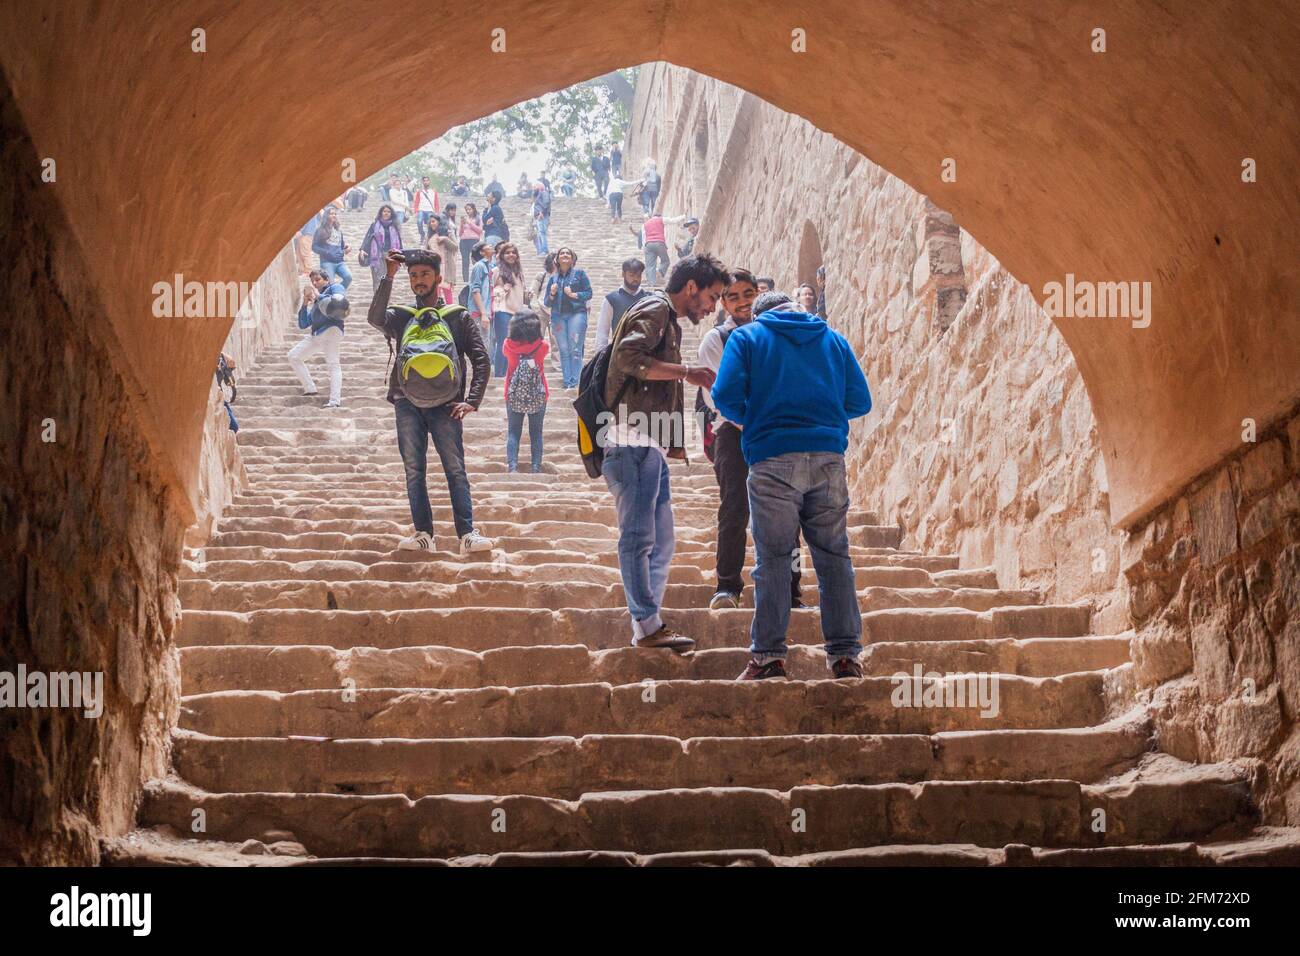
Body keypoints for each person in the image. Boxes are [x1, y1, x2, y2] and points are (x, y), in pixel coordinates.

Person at [711, 291, 872, 680]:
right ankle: (845, 656)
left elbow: (725, 398)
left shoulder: (747, 339)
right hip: (827, 458)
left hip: (772, 458)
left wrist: (762, 416)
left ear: (761, 314)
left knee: (775, 559)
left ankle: (768, 657)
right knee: (835, 557)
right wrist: (822, 414)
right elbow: (860, 401)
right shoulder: (833, 339)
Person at [601, 253, 730, 651]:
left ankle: (648, 624)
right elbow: (628, 357)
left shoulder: (666, 319)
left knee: (662, 541)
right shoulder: (656, 309)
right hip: (630, 441)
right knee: (639, 538)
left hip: (649, 444)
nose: (711, 308)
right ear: (691, 287)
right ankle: (646, 623)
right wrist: (686, 372)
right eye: (711, 297)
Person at [367, 249, 493, 556]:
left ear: (438, 278)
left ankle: (467, 534)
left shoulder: (458, 317)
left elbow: (481, 358)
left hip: (447, 404)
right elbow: (374, 318)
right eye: (413, 276)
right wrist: (389, 276)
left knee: (455, 469)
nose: (418, 281)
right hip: (407, 402)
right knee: (414, 470)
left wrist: (472, 400)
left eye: (424, 275)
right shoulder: (401, 316)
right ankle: (424, 534)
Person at [697, 271, 803, 609]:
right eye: (734, 296)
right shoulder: (716, 341)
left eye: (748, 293)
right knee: (734, 508)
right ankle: (727, 585)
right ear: (724, 302)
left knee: (788, 513)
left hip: (775, 432)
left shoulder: (775, 335)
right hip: (734, 434)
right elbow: (720, 396)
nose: (743, 301)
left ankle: (791, 588)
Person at [289, 269, 347, 408]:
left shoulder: (334, 287)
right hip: (316, 334)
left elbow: (339, 301)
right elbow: (303, 324)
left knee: (333, 364)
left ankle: (334, 401)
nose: (315, 283)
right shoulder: (316, 303)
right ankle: (310, 387)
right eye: (313, 281)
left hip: (332, 329)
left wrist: (318, 295)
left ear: (326, 280)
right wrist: (304, 304)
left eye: (318, 280)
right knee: (293, 355)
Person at [502, 310, 550, 473]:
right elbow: (544, 352)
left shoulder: (508, 346)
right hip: (538, 394)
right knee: (536, 433)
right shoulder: (543, 346)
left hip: (513, 393)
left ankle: (513, 467)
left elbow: (505, 355)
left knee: (513, 432)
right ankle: (536, 468)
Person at [542, 247, 592, 391]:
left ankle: (575, 382)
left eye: (567, 253)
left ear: (572, 258)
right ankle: (567, 381)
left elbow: (589, 293)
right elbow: (546, 302)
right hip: (558, 316)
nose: (564, 255)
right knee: (563, 350)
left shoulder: (580, 274)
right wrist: (552, 293)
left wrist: (574, 295)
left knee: (575, 348)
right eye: (561, 253)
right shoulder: (553, 278)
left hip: (577, 313)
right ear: (557, 259)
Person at [595, 258, 647, 350]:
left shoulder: (649, 298)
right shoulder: (611, 299)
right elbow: (602, 330)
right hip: (619, 352)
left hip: (646, 353)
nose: (635, 279)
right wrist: (600, 354)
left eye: (638, 276)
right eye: (631, 275)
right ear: (623, 274)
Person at [491, 242, 527, 377]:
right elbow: (492, 293)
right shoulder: (497, 271)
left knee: (514, 342)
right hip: (502, 310)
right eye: (507, 252)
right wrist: (502, 289)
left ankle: (509, 373)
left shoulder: (519, 273)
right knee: (503, 342)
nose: (511, 255)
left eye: (513, 252)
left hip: (517, 312)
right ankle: (500, 374)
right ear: (502, 255)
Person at [360, 204, 403, 289]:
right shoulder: (374, 225)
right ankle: (377, 299)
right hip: (377, 255)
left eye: (388, 212)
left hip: (391, 255)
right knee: (377, 279)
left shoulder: (394, 226)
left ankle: (385, 299)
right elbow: (368, 237)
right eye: (384, 211)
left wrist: (402, 253)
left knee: (388, 279)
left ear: (391, 214)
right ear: (381, 213)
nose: (386, 213)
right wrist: (362, 249)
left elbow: (399, 240)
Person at [312, 206, 353, 289]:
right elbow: (314, 247)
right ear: (326, 216)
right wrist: (326, 252)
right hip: (327, 262)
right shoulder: (320, 230)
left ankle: (337, 291)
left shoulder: (338, 230)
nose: (334, 215)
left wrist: (347, 248)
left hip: (340, 262)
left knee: (348, 277)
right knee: (329, 284)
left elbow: (341, 245)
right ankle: (332, 294)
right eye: (331, 214)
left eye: (335, 214)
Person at [468, 241, 495, 338]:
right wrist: (483, 314)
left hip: (485, 312)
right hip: (479, 313)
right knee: (482, 343)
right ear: (482, 252)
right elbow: (475, 291)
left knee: (486, 343)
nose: (491, 245)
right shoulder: (479, 266)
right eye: (488, 245)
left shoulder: (489, 266)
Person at [458, 202, 483, 284]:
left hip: (474, 240)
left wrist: (469, 223)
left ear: (474, 209)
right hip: (463, 241)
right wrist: (462, 224)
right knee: (465, 261)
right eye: (467, 210)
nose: (468, 211)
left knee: (475, 259)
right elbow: (460, 233)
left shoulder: (478, 218)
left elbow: (479, 230)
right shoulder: (465, 219)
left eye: (470, 209)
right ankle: (465, 280)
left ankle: (477, 278)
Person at [532, 252, 556, 329]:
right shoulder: (542, 275)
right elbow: (533, 292)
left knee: (555, 339)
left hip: (556, 312)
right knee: (537, 337)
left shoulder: (564, 277)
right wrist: (536, 308)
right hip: (540, 309)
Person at [413, 176, 440, 243]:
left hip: (430, 210)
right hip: (421, 209)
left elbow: (436, 202)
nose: (426, 182)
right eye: (424, 180)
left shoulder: (433, 191)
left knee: (430, 224)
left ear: (429, 181)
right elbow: (416, 202)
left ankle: (429, 237)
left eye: (427, 180)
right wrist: (416, 211)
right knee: (419, 221)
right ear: (422, 182)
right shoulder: (420, 192)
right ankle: (422, 234)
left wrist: (437, 211)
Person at [531, 180, 552, 256]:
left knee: (542, 233)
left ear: (540, 187)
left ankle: (544, 250)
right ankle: (542, 250)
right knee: (540, 233)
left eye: (535, 186)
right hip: (538, 216)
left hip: (542, 215)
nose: (533, 188)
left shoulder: (544, 193)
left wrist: (542, 212)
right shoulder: (537, 195)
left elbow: (546, 203)